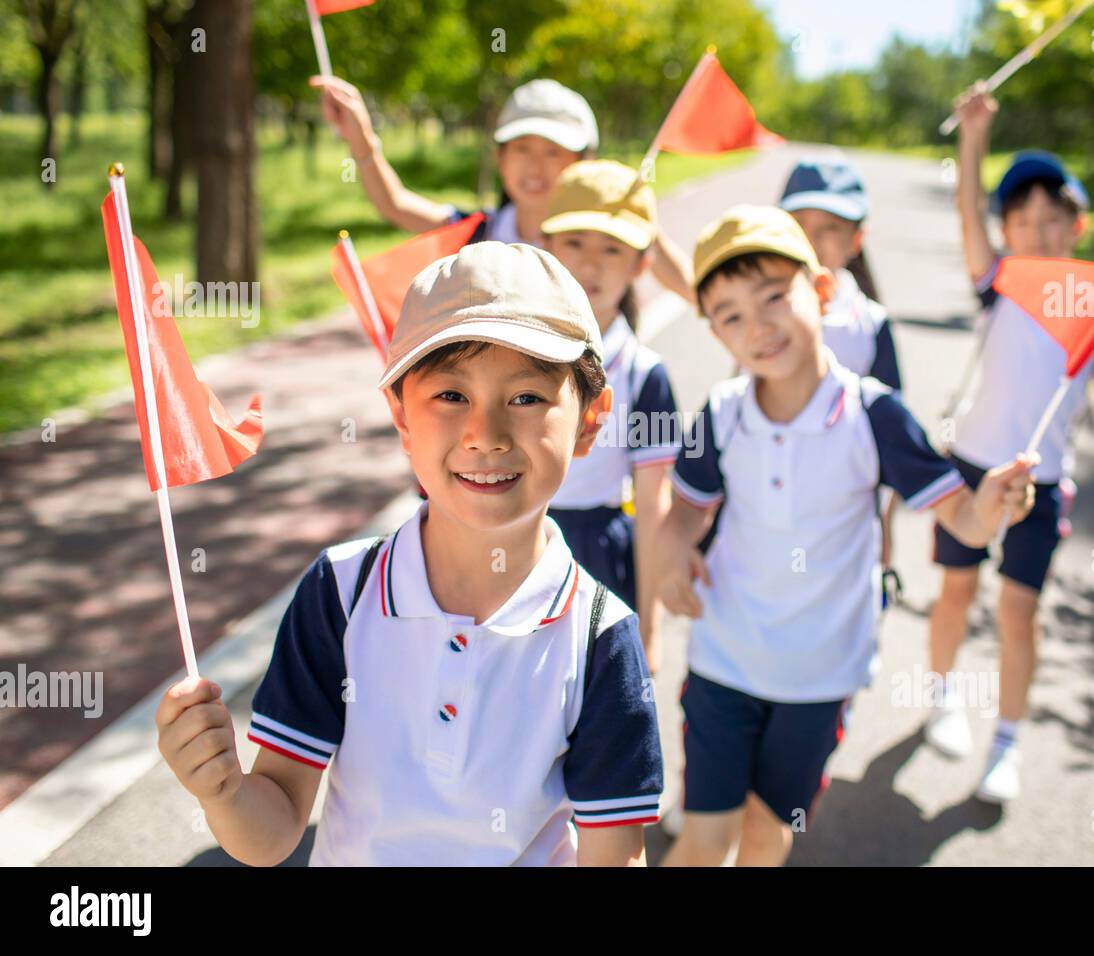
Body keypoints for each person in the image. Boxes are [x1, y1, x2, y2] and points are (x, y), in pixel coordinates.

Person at [156, 242, 664, 866]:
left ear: (590, 419)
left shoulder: (600, 635)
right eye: (451, 396)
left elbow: (617, 855)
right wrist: (223, 790)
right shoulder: (339, 593)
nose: (485, 434)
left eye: (527, 397)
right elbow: (273, 829)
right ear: (400, 415)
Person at [654, 205, 1038, 865]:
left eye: (775, 297)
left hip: (821, 675)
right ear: (716, 334)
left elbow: (960, 517)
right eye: (731, 315)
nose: (758, 326)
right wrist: (672, 557)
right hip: (724, 661)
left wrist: (993, 505)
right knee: (702, 836)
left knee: (766, 834)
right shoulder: (719, 416)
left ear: (823, 290)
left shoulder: (875, 414)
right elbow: (687, 509)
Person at [926, 83, 1094, 804]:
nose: (1040, 230)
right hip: (970, 467)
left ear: (1078, 224)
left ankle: (1006, 743)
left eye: (1056, 217)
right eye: (1023, 218)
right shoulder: (1001, 281)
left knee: (1020, 610)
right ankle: (941, 697)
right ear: (1006, 230)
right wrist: (974, 135)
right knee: (956, 589)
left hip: (1041, 484)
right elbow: (965, 206)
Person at [312, 74, 695, 300]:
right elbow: (396, 205)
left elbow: (684, 283)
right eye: (522, 148)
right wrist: (361, 140)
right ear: (500, 158)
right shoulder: (481, 232)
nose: (535, 166)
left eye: (553, 151)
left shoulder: (607, 232)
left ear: (585, 161)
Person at [540, 159, 681, 674]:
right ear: (547, 247)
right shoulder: (509, 352)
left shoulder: (648, 376)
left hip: (598, 560)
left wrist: (650, 624)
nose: (591, 265)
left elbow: (653, 503)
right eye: (575, 242)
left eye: (612, 249)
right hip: (508, 542)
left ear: (642, 264)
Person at [779, 158, 904, 604]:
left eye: (829, 227)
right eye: (799, 226)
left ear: (857, 239)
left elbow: (891, 440)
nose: (813, 242)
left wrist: (885, 534)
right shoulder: (760, 315)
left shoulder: (871, 324)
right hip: (766, 511)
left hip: (843, 518)